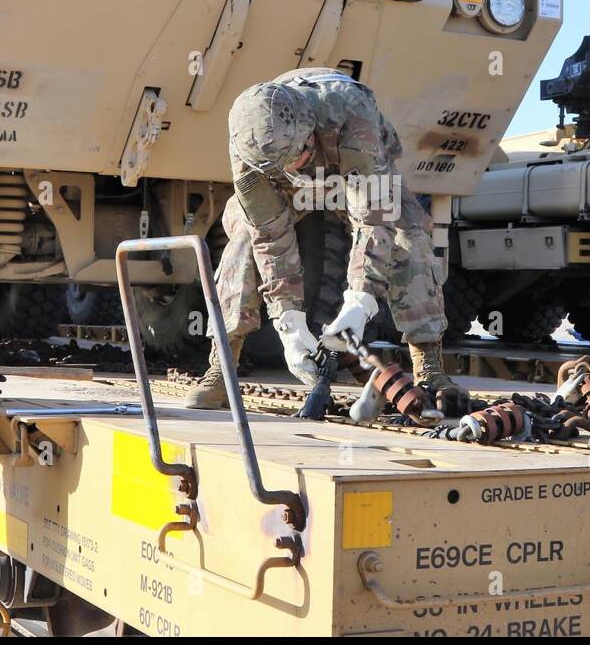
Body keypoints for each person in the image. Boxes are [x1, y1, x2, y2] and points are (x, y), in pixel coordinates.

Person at [186, 67, 458, 411]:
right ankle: (221, 367)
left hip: (353, 169)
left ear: (309, 132)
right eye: (284, 164)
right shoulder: (250, 148)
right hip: (285, 187)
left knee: (409, 235)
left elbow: (373, 220)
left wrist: (360, 301)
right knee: (243, 238)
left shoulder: (351, 115)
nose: (296, 166)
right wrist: (289, 323)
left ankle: (429, 367)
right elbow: (270, 235)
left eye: (298, 157)